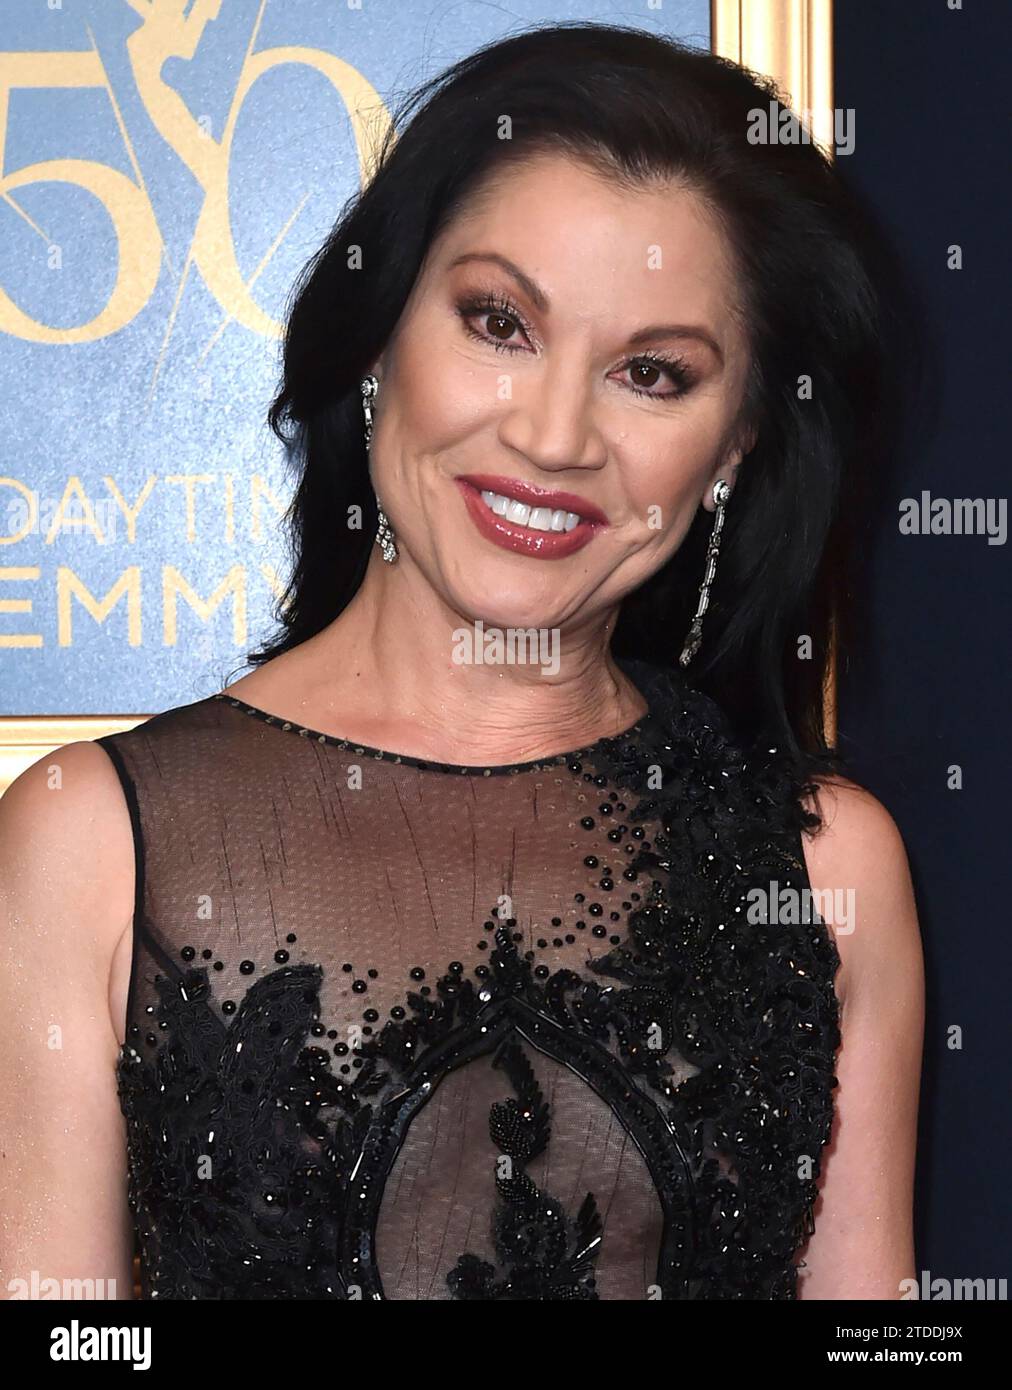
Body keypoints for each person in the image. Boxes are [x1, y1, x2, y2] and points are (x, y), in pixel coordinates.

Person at [0, 23, 923, 1300]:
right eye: (498, 322)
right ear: (381, 338)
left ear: (731, 450)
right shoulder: (90, 839)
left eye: (652, 374)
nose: (552, 436)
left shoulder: (824, 864)